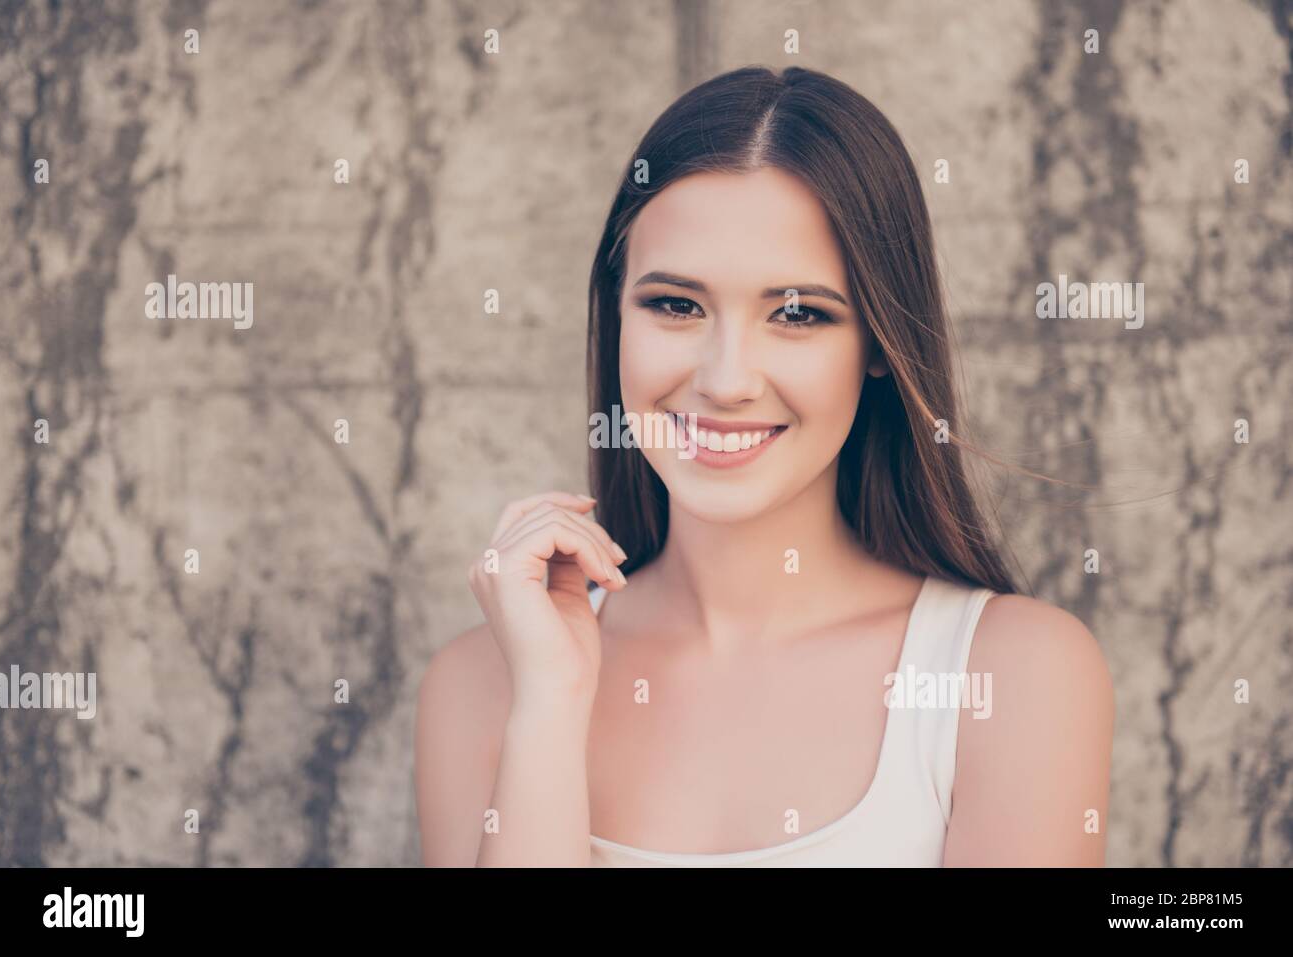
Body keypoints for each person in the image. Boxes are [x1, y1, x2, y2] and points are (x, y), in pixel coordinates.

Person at [415, 65, 1114, 867]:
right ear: (616, 319)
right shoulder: (481, 685)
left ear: (880, 346)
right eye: (675, 304)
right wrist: (548, 706)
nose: (725, 379)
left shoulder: (1014, 673)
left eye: (797, 314)